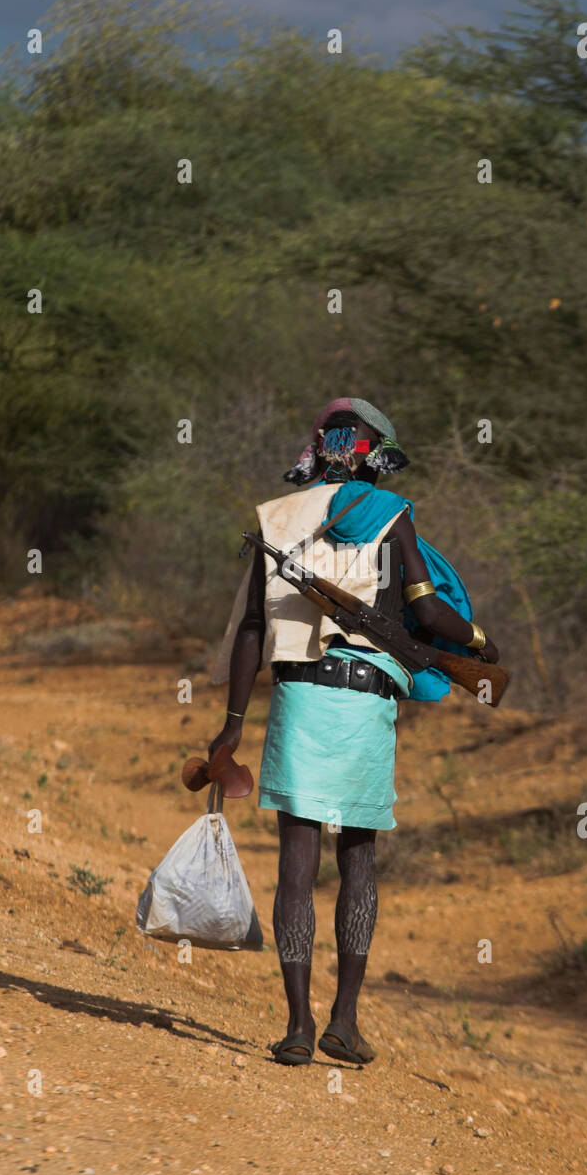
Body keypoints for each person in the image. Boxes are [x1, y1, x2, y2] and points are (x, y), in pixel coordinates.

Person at [207, 398, 499, 1066]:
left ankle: (297, 1027)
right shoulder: (391, 512)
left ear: (320, 451)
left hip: (298, 700)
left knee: (295, 868)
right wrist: (480, 641)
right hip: (364, 704)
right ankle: (345, 1020)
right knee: (358, 862)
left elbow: (252, 631)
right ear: (377, 456)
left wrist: (231, 727)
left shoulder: (275, 520)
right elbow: (428, 609)